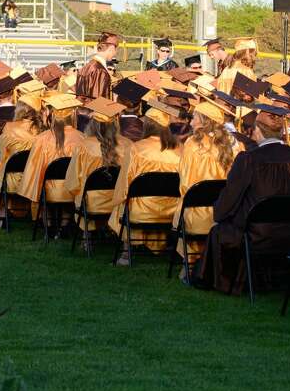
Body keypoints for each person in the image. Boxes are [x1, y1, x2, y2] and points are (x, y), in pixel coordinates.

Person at [199, 106, 290, 293]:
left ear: (257, 131)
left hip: (257, 233)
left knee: (219, 231)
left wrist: (220, 212)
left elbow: (232, 195)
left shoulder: (248, 159)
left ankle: (219, 281)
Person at [173, 100, 240, 279]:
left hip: (198, 213)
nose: (191, 122)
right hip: (226, 213)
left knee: (185, 204)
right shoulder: (234, 144)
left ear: (205, 121)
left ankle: (191, 262)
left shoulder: (192, 144)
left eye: (194, 117)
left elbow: (186, 182)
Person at [107, 107, 182, 264]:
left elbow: (124, 183)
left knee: (123, 198)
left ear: (147, 125)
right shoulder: (179, 151)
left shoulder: (136, 149)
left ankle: (126, 252)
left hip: (141, 211)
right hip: (171, 211)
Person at [64, 98, 131, 234]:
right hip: (118, 203)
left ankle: (86, 235)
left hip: (91, 203)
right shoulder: (128, 145)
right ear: (116, 123)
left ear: (92, 124)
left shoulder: (83, 146)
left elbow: (72, 183)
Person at [17, 93, 84, 226]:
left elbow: (34, 171)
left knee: (41, 182)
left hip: (48, 191)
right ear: (72, 116)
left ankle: (48, 224)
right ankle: (64, 226)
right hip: (73, 190)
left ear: (52, 115)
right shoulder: (82, 138)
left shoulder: (42, 138)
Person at [75, 32, 120, 103]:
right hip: (95, 113)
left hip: (83, 111)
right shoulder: (99, 70)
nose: (115, 53)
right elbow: (98, 102)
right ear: (111, 48)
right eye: (115, 49)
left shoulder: (87, 66)